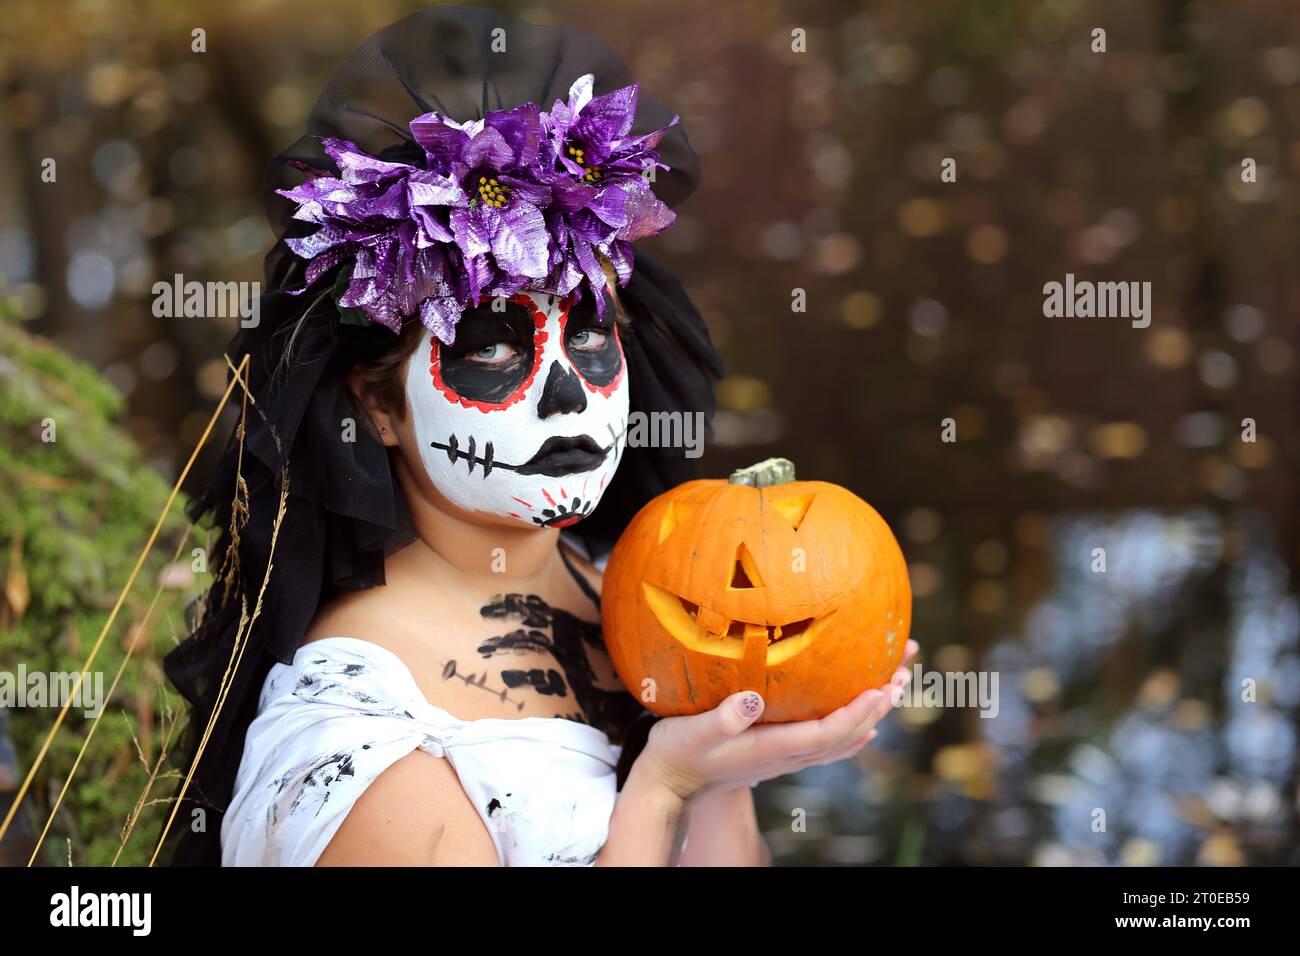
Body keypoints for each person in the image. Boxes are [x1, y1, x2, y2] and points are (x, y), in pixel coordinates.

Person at [162, 6, 915, 867]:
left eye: (590, 333)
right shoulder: (368, 748)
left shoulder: (646, 602)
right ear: (375, 405)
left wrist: (739, 754)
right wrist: (662, 786)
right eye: (490, 347)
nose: (567, 396)